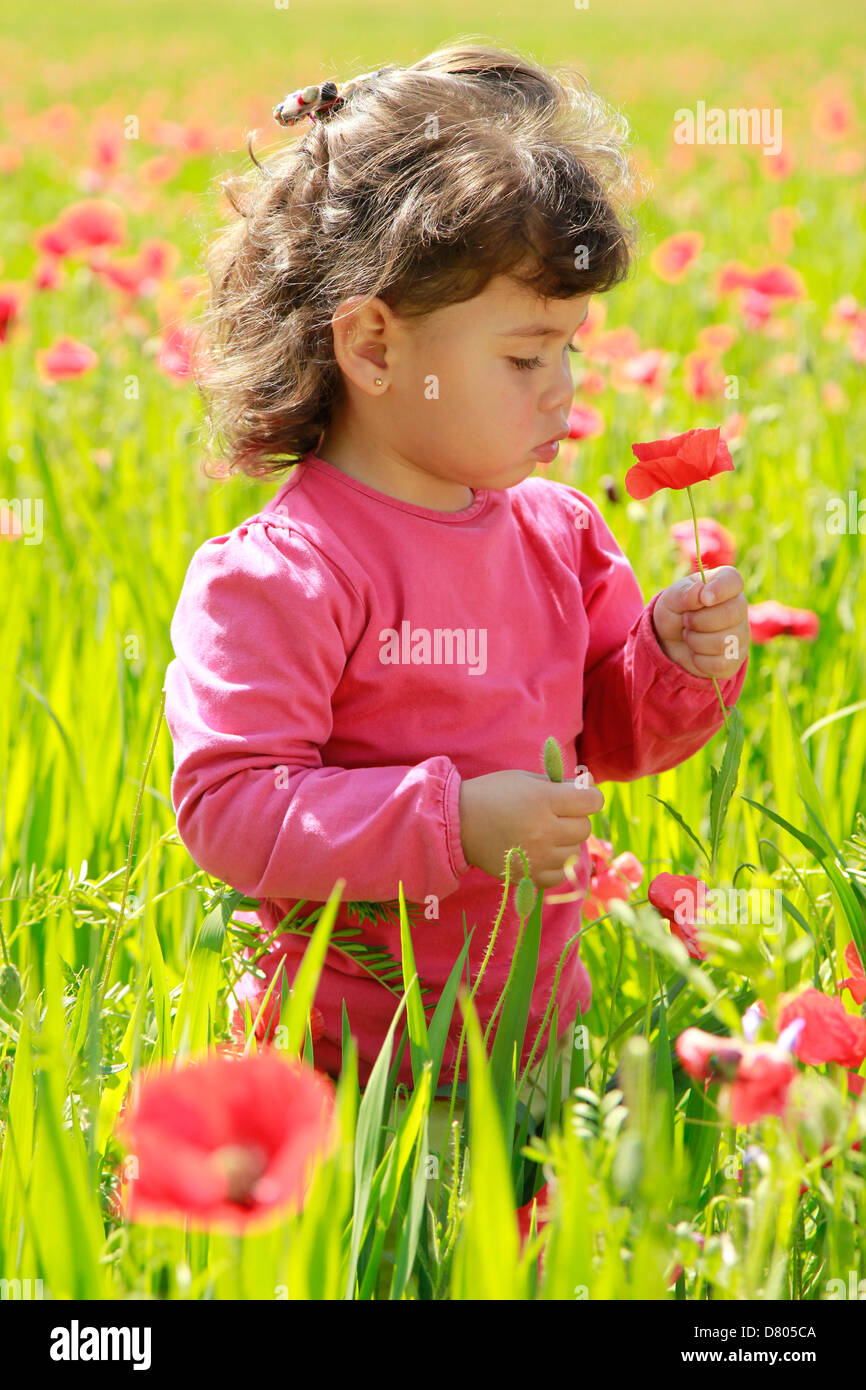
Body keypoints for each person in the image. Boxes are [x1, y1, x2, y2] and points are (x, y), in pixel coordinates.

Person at [162, 42, 750, 1157]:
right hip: (350, 1074)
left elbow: (611, 734)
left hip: (531, 1043)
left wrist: (672, 662)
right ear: (376, 346)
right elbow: (232, 809)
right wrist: (453, 824)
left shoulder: (556, 531)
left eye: (570, 349)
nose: (565, 391)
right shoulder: (284, 574)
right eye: (526, 356)